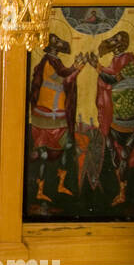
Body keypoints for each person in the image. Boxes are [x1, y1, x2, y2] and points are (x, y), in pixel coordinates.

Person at [29, 33, 87, 205]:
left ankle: (60, 185)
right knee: (44, 155)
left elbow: (65, 78)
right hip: (46, 114)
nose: (58, 47)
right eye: (55, 44)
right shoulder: (48, 62)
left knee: (67, 146)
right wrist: (76, 68)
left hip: (57, 115)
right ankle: (40, 191)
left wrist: (77, 68)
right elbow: (62, 77)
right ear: (50, 47)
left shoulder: (55, 61)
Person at [95, 30, 134, 207]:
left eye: (117, 39)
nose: (113, 41)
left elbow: (113, 79)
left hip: (131, 119)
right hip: (116, 118)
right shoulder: (115, 62)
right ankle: (121, 187)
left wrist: (97, 67)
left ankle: (123, 192)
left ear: (123, 44)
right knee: (113, 151)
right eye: (114, 38)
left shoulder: (129, 63)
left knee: (124, 155)